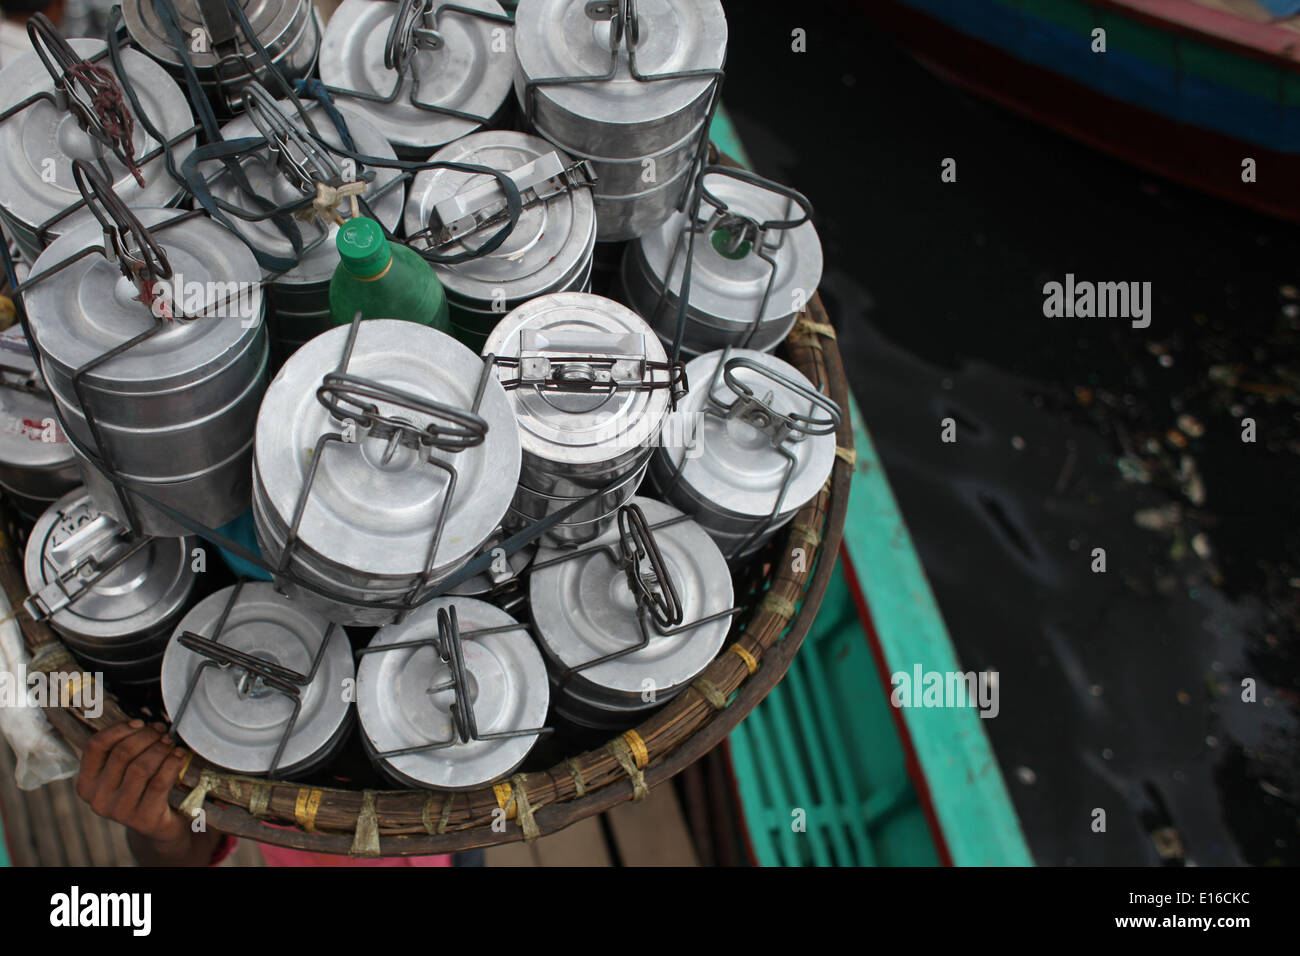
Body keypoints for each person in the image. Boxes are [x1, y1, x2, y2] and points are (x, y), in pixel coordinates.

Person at [77, 718, 466, 867]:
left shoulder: (254, 798)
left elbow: (198, 838)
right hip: (436, 828)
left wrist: (161, 833)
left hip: (274, 768)